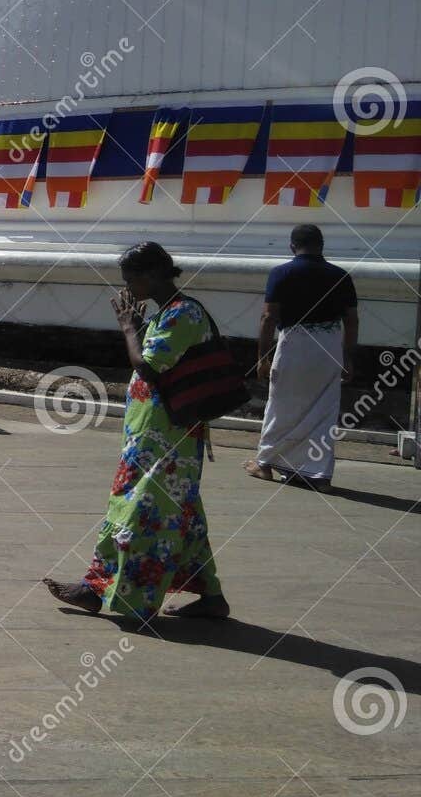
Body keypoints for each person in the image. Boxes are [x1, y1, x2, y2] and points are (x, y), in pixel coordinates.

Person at [44, 242, 229, 621]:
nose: (127, 288)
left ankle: (112, 593)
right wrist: (141, 327)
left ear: (152, 275)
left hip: (164, 438)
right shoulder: (170, 314)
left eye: (131, 279)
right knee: (179, 513)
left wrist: (129, 328)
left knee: (136, 510)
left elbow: (148, 366)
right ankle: (210, 596)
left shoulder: (183, 314)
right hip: (154, 433)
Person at [247, 224, 359, 489]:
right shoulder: (341, 276)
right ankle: (319, 475)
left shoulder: (281, 273)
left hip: (294, 346)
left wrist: (262, 356)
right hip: (329, 348)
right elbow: (352, 321)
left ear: (291, 246)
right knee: (323, 411)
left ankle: (265, 464)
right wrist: (348, 357)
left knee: (281, 406)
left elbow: (268, 317)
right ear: (321, 245)